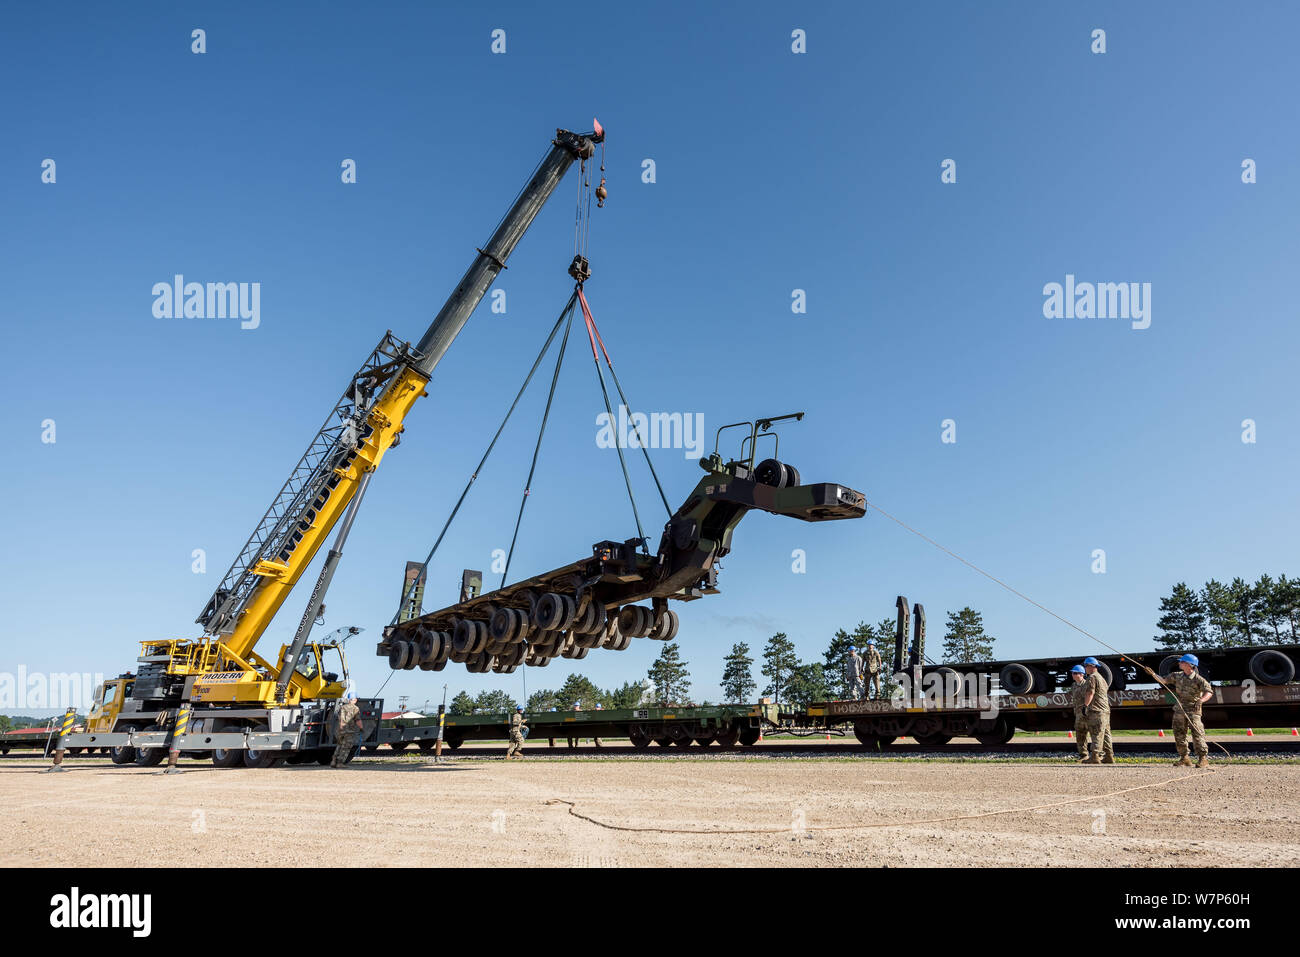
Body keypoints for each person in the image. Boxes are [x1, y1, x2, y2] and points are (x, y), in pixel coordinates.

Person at [1158, 653, 1213, 768]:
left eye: (1182, 662)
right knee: (1179, 733)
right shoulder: (1177, 675)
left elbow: (1209, 692)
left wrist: (1201, 700)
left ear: (1189, 665)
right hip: (1180, 709)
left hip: (1193, 709)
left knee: (1197, 733)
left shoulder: (1199, 679)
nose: (1179, 663)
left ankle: (1203, 759)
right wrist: (1153, 674)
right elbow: (1164, 681)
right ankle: (1184, 758)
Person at [1081, 657, 1113, 764]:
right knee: (1106, 734)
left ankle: (1094, 756)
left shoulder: (1092, 678)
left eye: (1085, 666)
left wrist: (1085, 706)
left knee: (1096, 732)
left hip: (1096, 710)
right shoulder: (1101, 678)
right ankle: (1109, 756)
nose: (1085, 668)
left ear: (1091, 666)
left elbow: (1090, 693)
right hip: (1105, 709)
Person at [331, 690, 363, 768]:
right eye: (355, 699)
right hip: (349, 730)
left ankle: (333, 761)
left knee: (339, 745)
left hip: (341, 730)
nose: (356, 700)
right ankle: (340, 763)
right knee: (346, 747)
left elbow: (339, 718)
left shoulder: (342, 707)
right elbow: (358, 720)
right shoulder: (355, 708)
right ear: (353, 699)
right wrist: (361, 728)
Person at [1068, 665, 1089, 761]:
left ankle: (1098, 754)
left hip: (1086, 713)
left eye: (1075, 673)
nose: (1073, 675)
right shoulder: (1074, 685)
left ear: (1082, 674)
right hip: (1078, 713)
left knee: (1093, 734)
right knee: (1080, 735)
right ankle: (1083, 755)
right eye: (1073, 673)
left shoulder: (1087, 684)